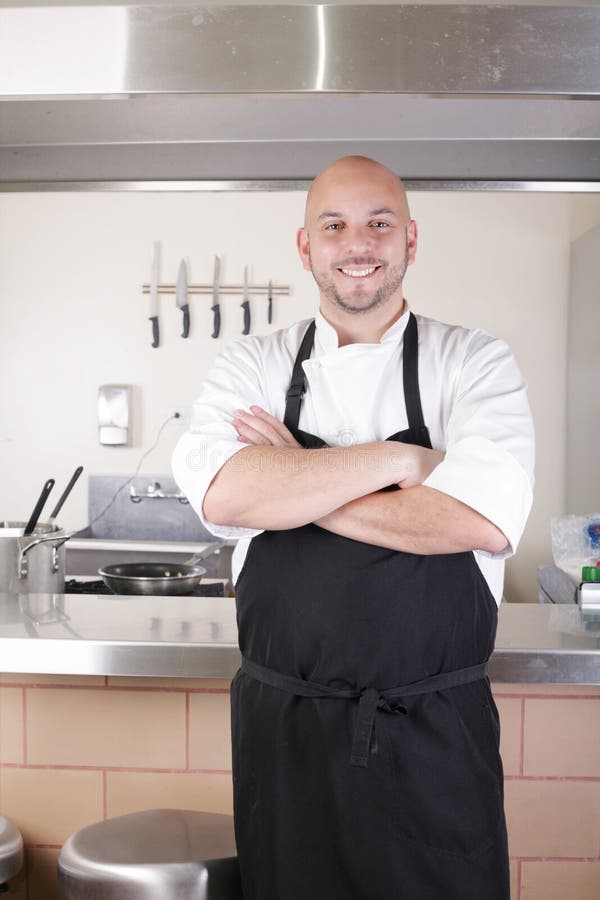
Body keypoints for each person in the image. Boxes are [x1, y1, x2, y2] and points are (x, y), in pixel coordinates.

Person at [172, 155, 535, 900]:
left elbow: (477, 519)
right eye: (333, 225)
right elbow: (227, 494)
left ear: (410, 237)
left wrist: (300, 480)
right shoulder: (252, 364)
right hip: (287, 745)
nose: (357, 242)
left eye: (379, 223)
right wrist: (402, 461)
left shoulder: (473, 362)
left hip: (434, 739)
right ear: (306, 247)